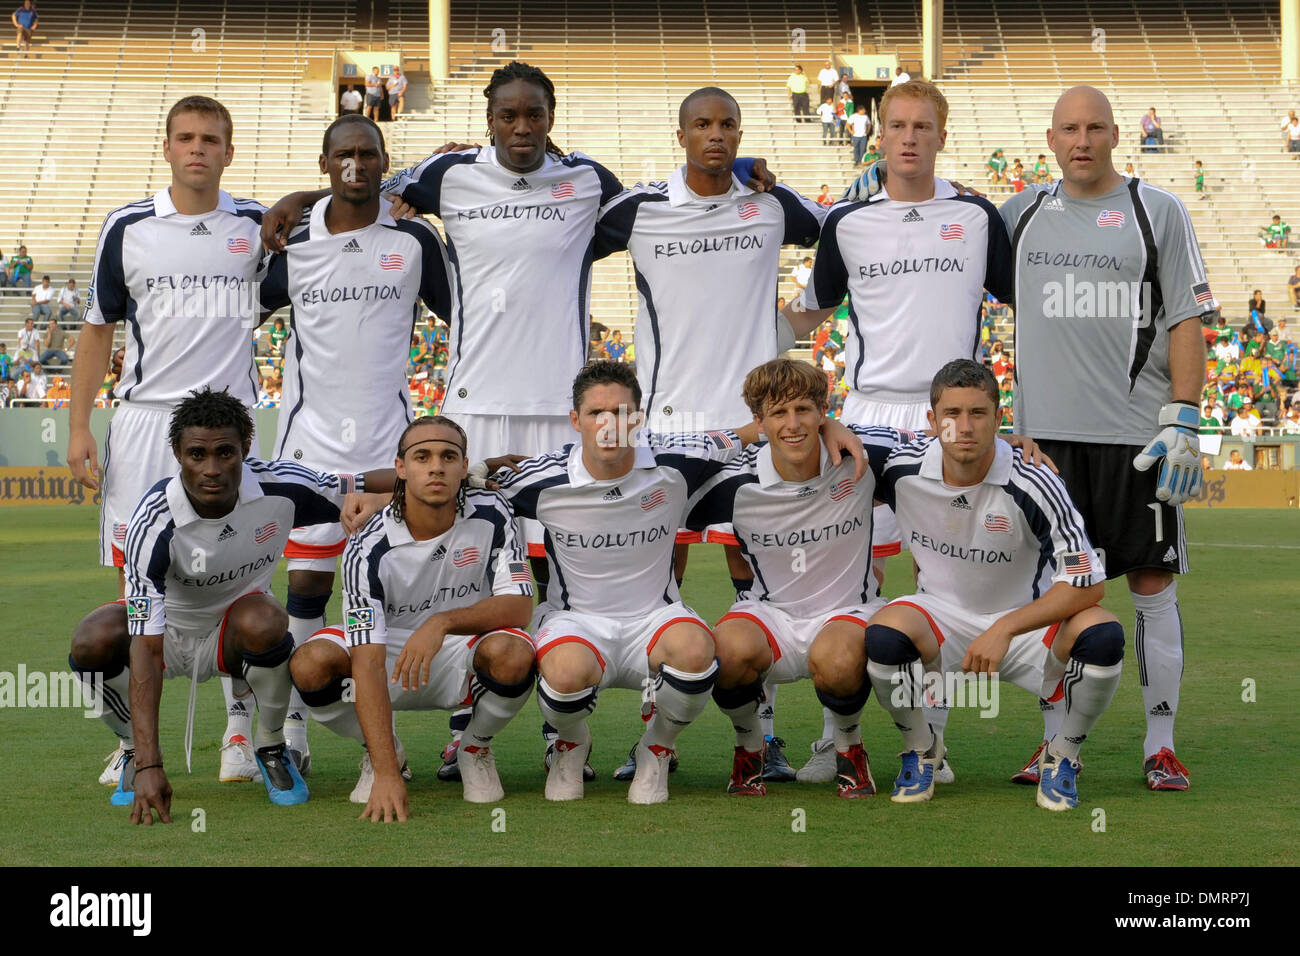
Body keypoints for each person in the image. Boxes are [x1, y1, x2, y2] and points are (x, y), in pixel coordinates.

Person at [486, 361, 864, 804]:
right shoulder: (541, 478)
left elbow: (757, 428)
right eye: (596, 414)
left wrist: (829, 422)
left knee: (699, 650)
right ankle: (570, 743)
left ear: (640, 417)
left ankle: (657, 748)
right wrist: (477, 465)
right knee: (564, 675)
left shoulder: (680, 457)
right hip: (578, 620)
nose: (610, 425)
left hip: (656, 617)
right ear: (575, 420)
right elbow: (457, 489)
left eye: (623, 413)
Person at [783, 78, 1014, 782]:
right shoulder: (846, 225)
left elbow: (1026, 307)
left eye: (923, 125)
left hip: (953, 421)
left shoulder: (977, 217)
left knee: (940, 582)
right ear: (878, 136)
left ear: (942, 136)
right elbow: (803, 317)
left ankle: (929, 741)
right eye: (897, 125)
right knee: (852, 580)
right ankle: (840, 739)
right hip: (868, 418)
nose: (909, 137)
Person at [592, 87, 826, 782]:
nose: (716, 135)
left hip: (755, 437)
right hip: (664, 437)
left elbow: (839, 236)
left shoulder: (770, 206)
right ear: (682, 133)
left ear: (741, 133)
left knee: (758, 592)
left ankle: (760, 742)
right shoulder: (639, 212)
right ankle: (648, 743)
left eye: (728, 125)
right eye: (703, 125)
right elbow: (561, 231)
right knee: (654, 595)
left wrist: (782, 331)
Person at [1000, 85, 1214, 791]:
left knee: (1152, 583)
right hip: (1044, 448)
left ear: (1117, 134)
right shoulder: (1019, 215)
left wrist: (1184, 415)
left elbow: (1186, 317)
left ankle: (1161, 745)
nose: (1082, 140)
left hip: (1136, 439)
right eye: (1069, 128)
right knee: (1062, 593)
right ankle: (1056, 743)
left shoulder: (1158, 213)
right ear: (1051, 137)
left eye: (1095, 127)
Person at [66, 95, 273, 788]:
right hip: (147, 426)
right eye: (185, 137)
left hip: (229, 433)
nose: (198, 149)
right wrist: (76, 426)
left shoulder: (254, 224)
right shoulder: (128, 226)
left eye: (211, 138)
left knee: (242, 582)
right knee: (135, 590)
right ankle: (131, 739)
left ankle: (238, 735)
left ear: (229, 151)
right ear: (167, 147)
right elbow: (97, 329)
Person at [67, 387, 395, 820]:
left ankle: (271, 744)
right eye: (197, 454)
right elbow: (145, 646)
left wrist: (471, 472)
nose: (212, 470)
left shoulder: (282, 488)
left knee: (265, 618)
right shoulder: (153, 520)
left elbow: (363, 482)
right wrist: (151, 763)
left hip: (235, 633)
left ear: (245, 449)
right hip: (166, 636)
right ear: (177, 453)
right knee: (92, 639)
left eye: (226, 453)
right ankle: (130, 752)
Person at [256, 113, 452, 774]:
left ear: (383, 161)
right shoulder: (292, 246)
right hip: (308, 455)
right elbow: (238, 316)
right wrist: (299, 203)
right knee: (306, 590)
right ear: (324, 162)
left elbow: (469, 323)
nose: (355, 163)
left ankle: (393, 744)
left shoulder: (415, 243)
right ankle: (291, 731)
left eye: (368, 154)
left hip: (389, 459)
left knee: (391, 596)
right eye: (344, 153)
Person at [864, 359, 1123, 810]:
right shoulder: (899, 464)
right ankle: (922, 749)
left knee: (1103, 634)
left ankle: (1062, 754)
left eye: (978, 414)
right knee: (883, 635)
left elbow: (1086, 584)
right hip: (940, 620)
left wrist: (1003, 629)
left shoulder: (1035, 479)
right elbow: (822, 429)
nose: (964, 427)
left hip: (1025, 625)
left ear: (998, 419)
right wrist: (826, 430)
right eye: (952, 414)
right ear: (931, 420)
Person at [289, 417, 535, 819]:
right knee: (310, 663)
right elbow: (366, 661)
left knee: (513, 651)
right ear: (401, 469)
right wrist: (388, 775)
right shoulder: (368, 543)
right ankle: (380, 752)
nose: (436, 466)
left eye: (448, 457)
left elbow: (519, 607)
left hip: (461, 644)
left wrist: (440, 623)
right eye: (422, 457)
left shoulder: (494, 512)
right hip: (387, 651)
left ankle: (473, 746)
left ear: (463, 466)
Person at [690, 359, 903, 797]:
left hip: (849, 612)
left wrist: (1012, 443)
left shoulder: (860, 456)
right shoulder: (735, 481)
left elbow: (946, 445)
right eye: (778, 413)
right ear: (759, 421)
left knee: (839, 660)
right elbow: (659, 455)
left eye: (804, 410)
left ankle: (848, 746)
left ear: (823, 410)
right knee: (725, 652)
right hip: (772, 616)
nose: (793, 425)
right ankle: (751, 748)